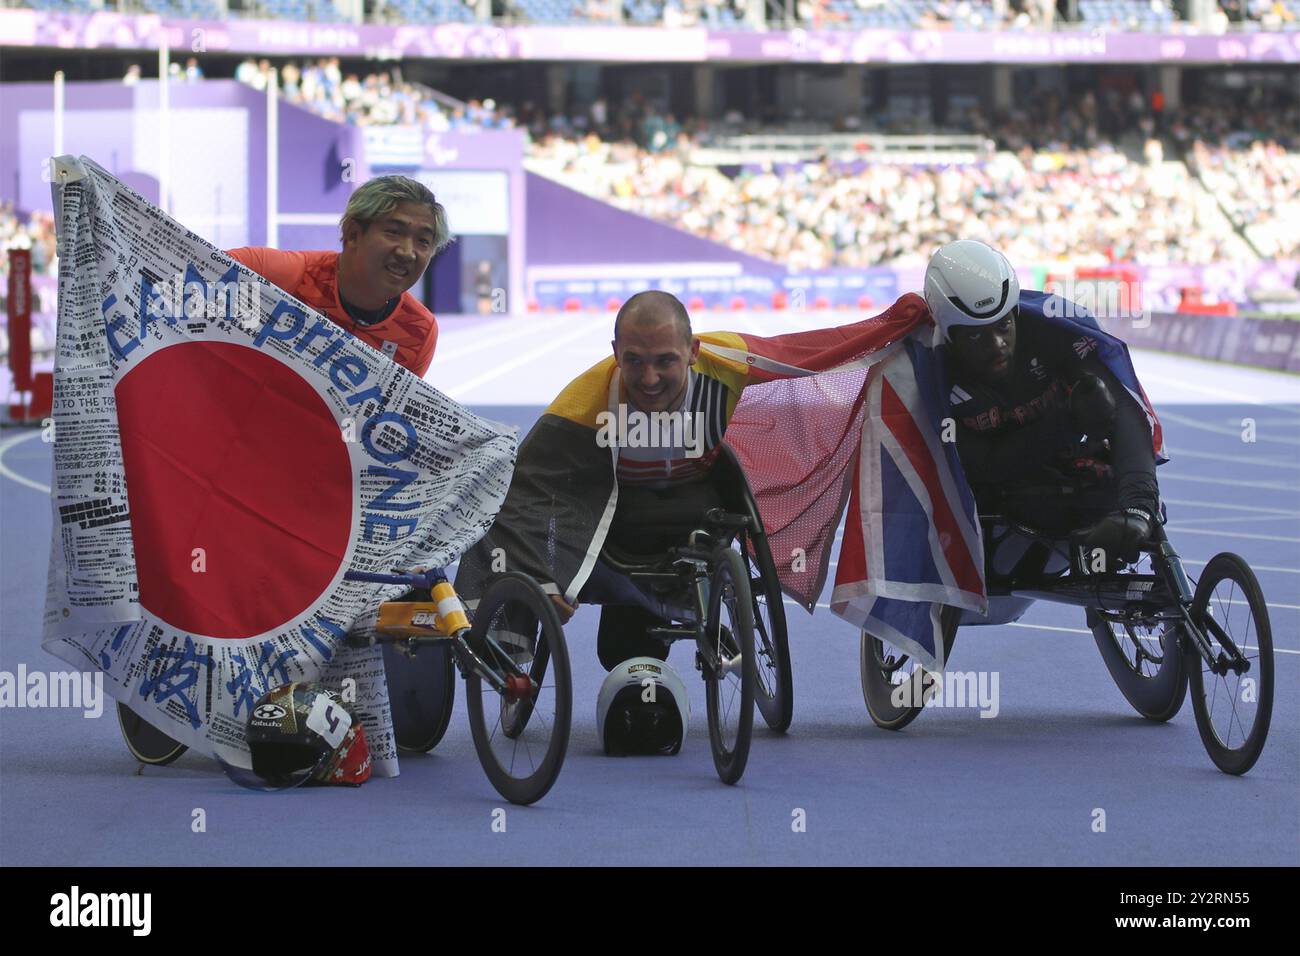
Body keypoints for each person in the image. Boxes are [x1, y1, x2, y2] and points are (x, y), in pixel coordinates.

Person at [923, 239, 1162, 568]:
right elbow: (984, 465)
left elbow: (1120, 408)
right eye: (977, 336)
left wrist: (1138, 507)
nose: (998, 346)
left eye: (1004, 325)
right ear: (949, 334)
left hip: (1062, 475)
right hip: (991, 498)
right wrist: (1066, 421)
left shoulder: (1051, 332)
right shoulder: (933, 373)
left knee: (1101, 400)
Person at [228, 175, 450, 376]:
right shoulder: (278, 273)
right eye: (393, 232)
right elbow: (197, 263)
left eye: (423, 241)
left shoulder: (418, 332)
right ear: (353, 234)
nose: (407, 252)